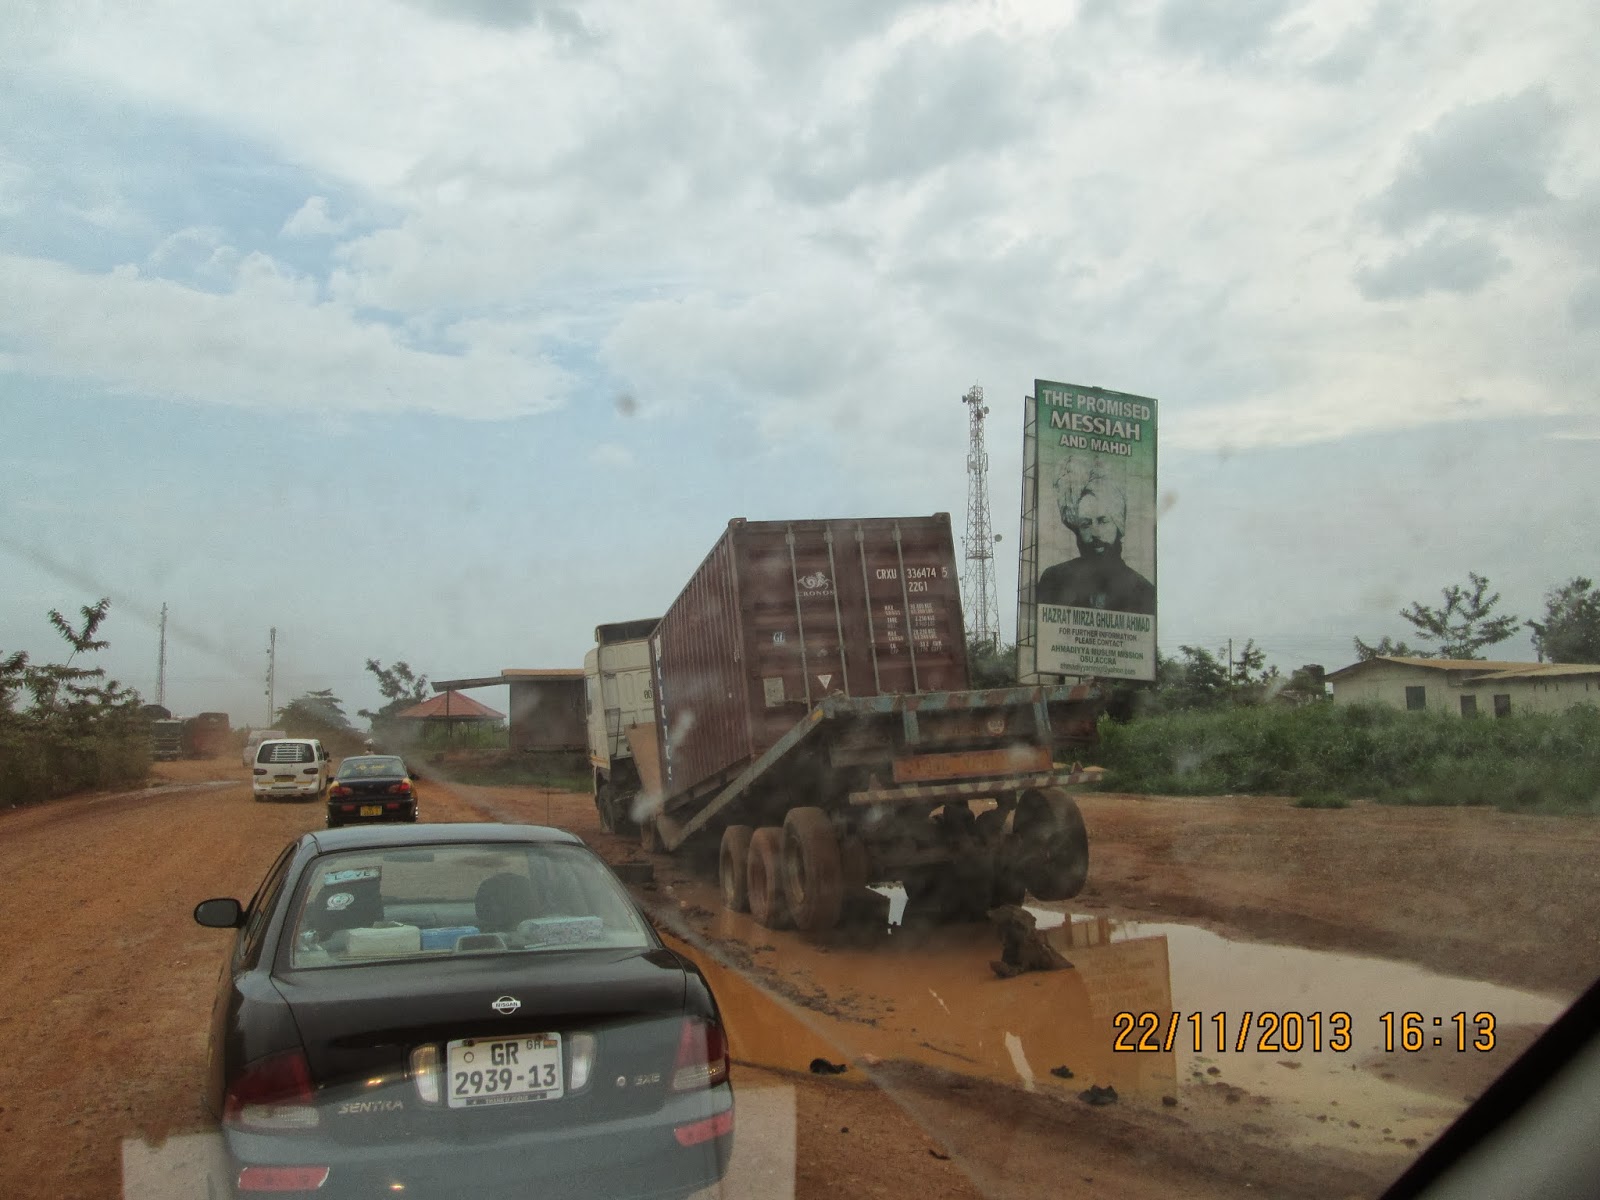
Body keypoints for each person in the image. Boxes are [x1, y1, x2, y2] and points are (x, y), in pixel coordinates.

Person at [1036, 463, 1155, 613]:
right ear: (1078, 530)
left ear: (1118, 524)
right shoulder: (1055, 579)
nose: (1095, 533)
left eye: (1103, 521)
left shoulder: (1144, 592)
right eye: (1086, 524)